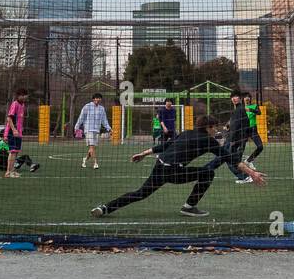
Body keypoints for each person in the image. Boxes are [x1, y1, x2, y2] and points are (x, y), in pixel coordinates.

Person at [91, 114, 265, 219]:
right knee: (207, 173)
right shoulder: (208, 141)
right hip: (174, 171)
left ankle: (104, 208)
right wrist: (253, 173)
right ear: (209, 127)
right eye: (215, 127)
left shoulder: (187, 132)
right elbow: (232, 159)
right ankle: (189, 207)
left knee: (140, 194)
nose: (216, 130)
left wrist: (144, 153)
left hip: (159, 166)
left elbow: (166, 145)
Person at [215, 91, 255, 184]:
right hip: (233, 139)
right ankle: (245, 176)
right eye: (232, 97)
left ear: (240, 98)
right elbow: (237, 124)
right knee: (227, 158)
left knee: (229, 159)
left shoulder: (239, 109)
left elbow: (238, 126)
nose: (234, 98)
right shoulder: (238, 109)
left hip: (234, 140)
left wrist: (233, 140)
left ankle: (245, 176)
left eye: (236, 96)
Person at [74, 92, 112, 169]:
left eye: (99, 98)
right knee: (91, 146)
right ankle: (95, 163)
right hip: (88, 129)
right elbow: (81, 117)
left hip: (96, 130)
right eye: (97, 98)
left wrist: (109, 128)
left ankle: (85, 160)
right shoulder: (87, 106)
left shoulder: (102, 108)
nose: (98, 99)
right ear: (93, 99)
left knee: (92, 148)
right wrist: (76, 127)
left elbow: (104, 120)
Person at [3, 88, 28, 178]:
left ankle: (12, 171)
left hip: (19, 133)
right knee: (12, 151)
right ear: (19, 96)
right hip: (13, 132)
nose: (25, 97)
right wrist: (13, 130)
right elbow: (9, 118)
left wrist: (20, 130)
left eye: (26, 95)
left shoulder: (23, 105)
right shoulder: (15, 104)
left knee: (16, 152)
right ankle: (8, 172)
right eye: (24, 95)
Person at [242, 93, 264, 170]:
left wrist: (250, 109)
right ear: (243, 99)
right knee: (240, 148)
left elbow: (259, 112)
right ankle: (239, 166)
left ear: (250, 99)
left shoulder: (254, 106)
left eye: (248, 97)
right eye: (245, 97)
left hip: (253, 130)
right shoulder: (240, 108)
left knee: (260, 147)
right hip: (243, 130)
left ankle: (249, 160)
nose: (247, 98)